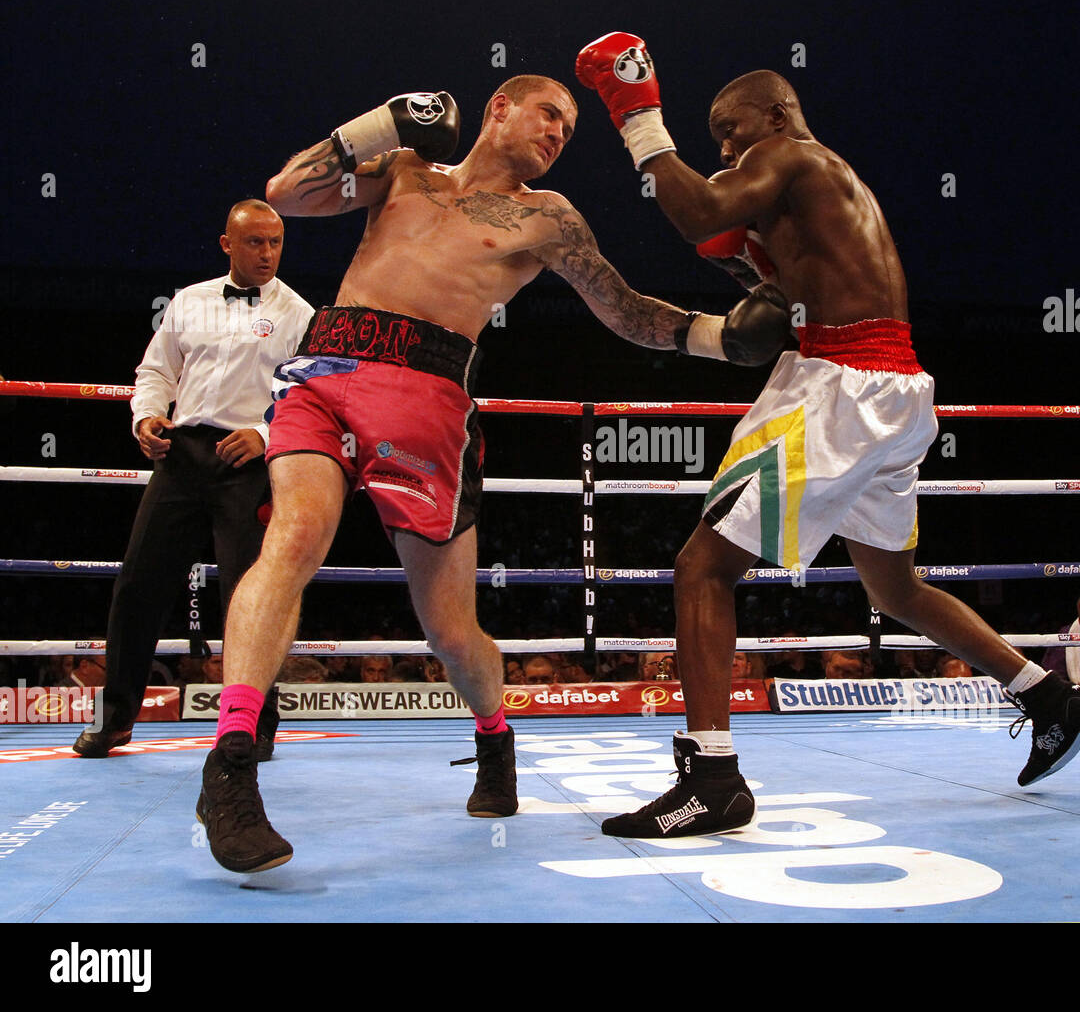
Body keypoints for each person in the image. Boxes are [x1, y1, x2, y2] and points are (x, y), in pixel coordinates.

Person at [197, 76, 738, 873]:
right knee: (292, 539)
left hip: (427, 395)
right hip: (325, 364)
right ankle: (231, 763)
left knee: (449, 632)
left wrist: (718, 338)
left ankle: (494, 737)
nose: (559, 132)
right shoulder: (406, 168)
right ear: (499, 108)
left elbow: (620, 307)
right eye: (549, 113)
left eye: (571, 125)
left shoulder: (546, 216)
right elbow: (288, 191)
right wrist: (379, 121)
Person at [577, 36, 1080, 838]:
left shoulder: (791, 154)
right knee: (895, 589)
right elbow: (764, 276)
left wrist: (636, 114)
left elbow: (699, 209)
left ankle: (712, 776)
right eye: (714, 136)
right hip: (894, 387)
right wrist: (747, 269)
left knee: (701, 567)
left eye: (732, 127)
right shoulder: (815, 191)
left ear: (779, 113)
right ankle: (1049, 695)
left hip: (840, 386)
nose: (724, 146)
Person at [74, 201, 312, 762]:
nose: (267, 254)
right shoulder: (189, 301)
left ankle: (256, 724)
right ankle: (116, 720)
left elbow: (306, 394)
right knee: (139, 585)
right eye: (255, 242)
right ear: (227, 244)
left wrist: (261, 433)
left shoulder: (298, 313)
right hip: (181, 456)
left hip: (248, 464)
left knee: (249, 597)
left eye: (276, 242)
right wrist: (146, 416)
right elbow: (156, 370)